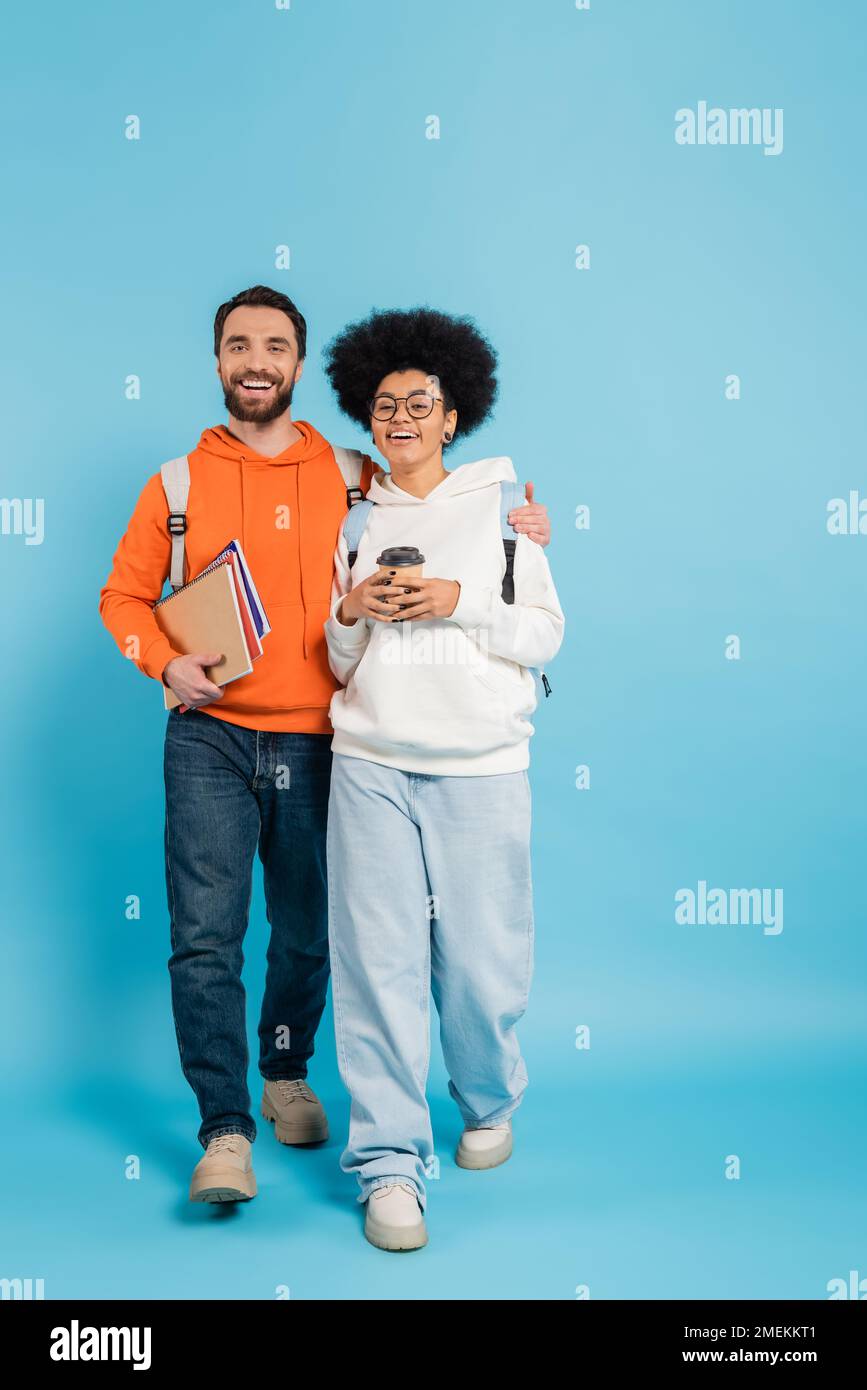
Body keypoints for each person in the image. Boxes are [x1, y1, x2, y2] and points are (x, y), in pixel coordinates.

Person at [98, 286, 552, 1204]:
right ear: (218, 361)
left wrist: (515, 521)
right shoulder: (176, 482)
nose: (255, 361)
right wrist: (161, 664)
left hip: (321, 742)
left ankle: (284, 1071)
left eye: (274, 346)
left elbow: (457, 516)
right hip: (210, 738)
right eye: (238, 346)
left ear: (300, 366)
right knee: (204, 938)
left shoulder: (355, 473)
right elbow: (123, 598)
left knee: (310, 934)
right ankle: (224, 1130)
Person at [322, 307, 565, 1250]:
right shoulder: (353, 519)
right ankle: (388, 1166)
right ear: (367, 415)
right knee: (374, 966)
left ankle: (488, 1097)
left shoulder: (507, 515)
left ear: (452, 414)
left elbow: (543, 634)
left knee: (477, 961)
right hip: (370, 762)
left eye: (419, 403)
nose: (401, 419)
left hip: (482, 767)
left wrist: (459, 601)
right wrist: (354, 606)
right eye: (384, 405)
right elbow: (339, 660)